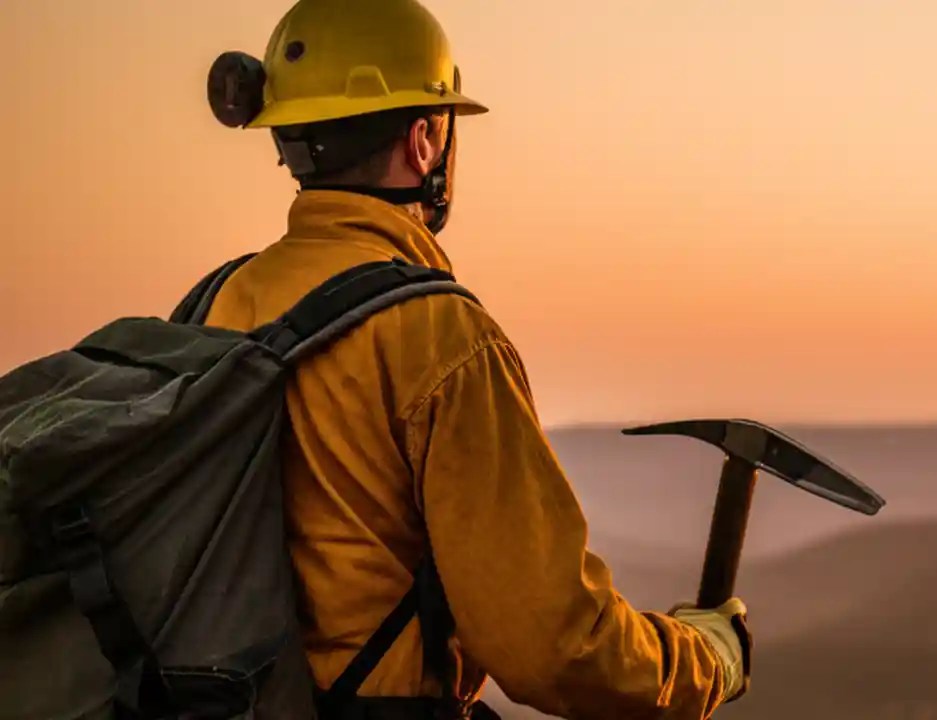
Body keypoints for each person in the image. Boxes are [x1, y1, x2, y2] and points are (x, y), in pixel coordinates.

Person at [201, 0, 751, 718]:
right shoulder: (438, 337)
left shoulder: (215, 304)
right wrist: (704, 657)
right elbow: (554, 645)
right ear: (426, 139)